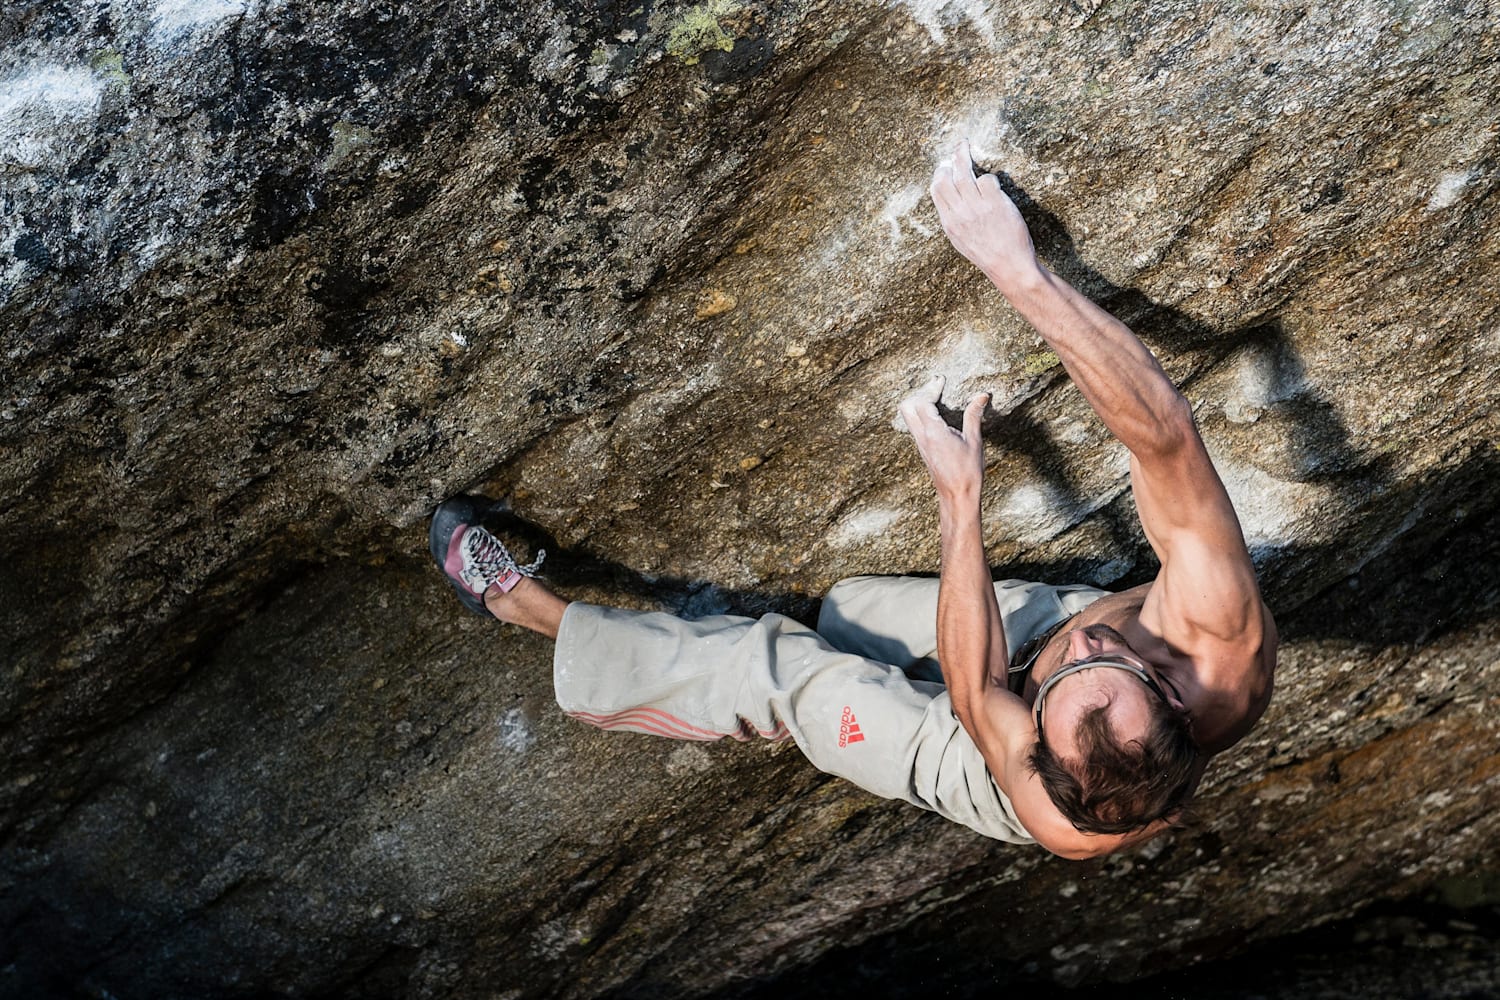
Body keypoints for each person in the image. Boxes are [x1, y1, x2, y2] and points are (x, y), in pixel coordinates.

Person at [429, 141, 1275, 859]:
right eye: (1100, 664)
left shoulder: (1057, 806)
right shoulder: (1215, 632)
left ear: (1039, 740)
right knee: (848, 611)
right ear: (1166, 696)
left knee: (796, 676)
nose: (1087, 640)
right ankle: (802, 671)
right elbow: (1164, 437)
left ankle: (536, 614)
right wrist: (1018, 273)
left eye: (1075, 669)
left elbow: (977, 693)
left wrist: (960, 503)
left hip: (974, 755)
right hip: (1034, 659)